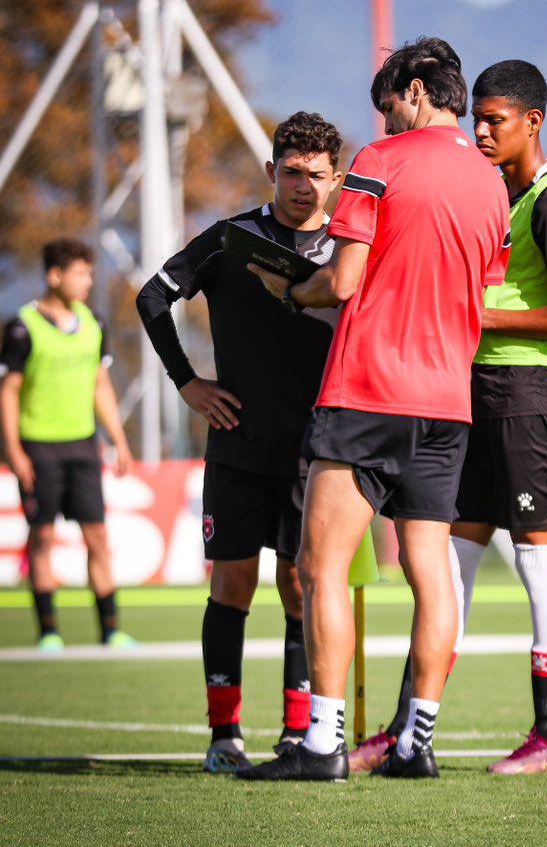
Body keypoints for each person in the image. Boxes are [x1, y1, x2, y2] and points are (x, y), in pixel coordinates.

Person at [238, 37, 510, 782]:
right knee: (434, 575)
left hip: (365, 394)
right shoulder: (493, 182)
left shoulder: (382, 161)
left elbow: (344, 280)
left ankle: (323, 746)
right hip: (446, 404)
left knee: (319, 568)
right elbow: (479, 293)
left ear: (415, 91)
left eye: (388, 107)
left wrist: (290, 289)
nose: (385, 123)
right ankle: (416, 742)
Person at [350, 59, 547, 776]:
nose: (480, 131)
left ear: (533, 122)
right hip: (474, 399)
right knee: (446, 572)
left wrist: (471, 311)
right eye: (477, 118)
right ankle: (405, 732)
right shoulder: (493, 195)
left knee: (539, 565)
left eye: (495, 120)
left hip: (534, 403)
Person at [136, 111, 343, 774]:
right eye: (291, 172)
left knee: (302, 588)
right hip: (237, 446)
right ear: (271, 172)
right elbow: (151, 298)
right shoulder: (234, 239)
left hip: (318, 453)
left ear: (336, 177)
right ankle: (224, 736)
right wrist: (187, 382)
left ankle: (295, 734)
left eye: (316, 174)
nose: (303, 185)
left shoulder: (349, 250)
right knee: (232, 586)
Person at [0, 238, 135, 651]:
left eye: (90, 274)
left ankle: (110, 629)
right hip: (38, 447)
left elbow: (100, 386)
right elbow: (8, 392)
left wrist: (119, 441)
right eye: (80, 273)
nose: (87, 282)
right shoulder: (23, 327)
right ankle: (48, 631)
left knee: (97, 536)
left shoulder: (94, 323)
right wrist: (15, 452)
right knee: (40, 538)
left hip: (83, 447)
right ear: (54, 275)